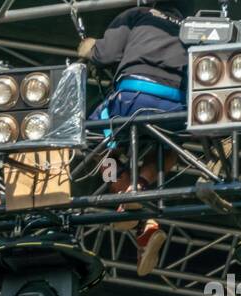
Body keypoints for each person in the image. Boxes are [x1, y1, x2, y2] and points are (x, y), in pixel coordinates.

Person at [78, 0, 189, 276]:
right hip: (175, 107)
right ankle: (139, 195)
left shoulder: (138, 14)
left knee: (94, 143)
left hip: (131, 98)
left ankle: (123, 186)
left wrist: (88, 46)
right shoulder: (194, 29)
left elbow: (103, 56)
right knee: (172, 146)